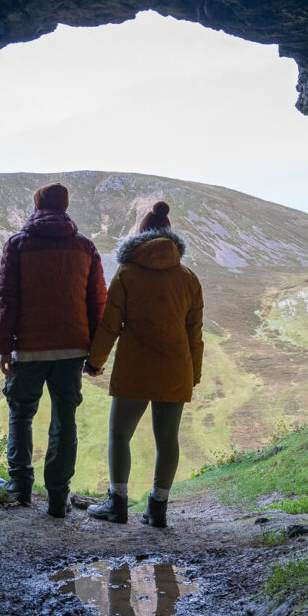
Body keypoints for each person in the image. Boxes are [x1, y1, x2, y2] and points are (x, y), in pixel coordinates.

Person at [84, 201, 203, 527]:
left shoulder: (127, 274)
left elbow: (110, 325)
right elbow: (195, 333)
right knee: (168, 440)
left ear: (140, 235)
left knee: (119, 435)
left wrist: (95, 362)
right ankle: (158, 509)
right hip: (176, 369)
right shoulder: (188, 278)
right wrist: (195, 373)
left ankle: (118, 505)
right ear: (169, 236)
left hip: (135, 368)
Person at [0, 182, 107, 518]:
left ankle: (20, 487)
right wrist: (96, 354)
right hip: (72, 349)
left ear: (38, 205)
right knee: (64, 420)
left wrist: (3, 348)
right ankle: (58, 499)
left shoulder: (18, 245)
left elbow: (6, 300)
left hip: (28, 348)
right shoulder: (85, 247)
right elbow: (97, 302)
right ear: (65, 206)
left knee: (21, 414)